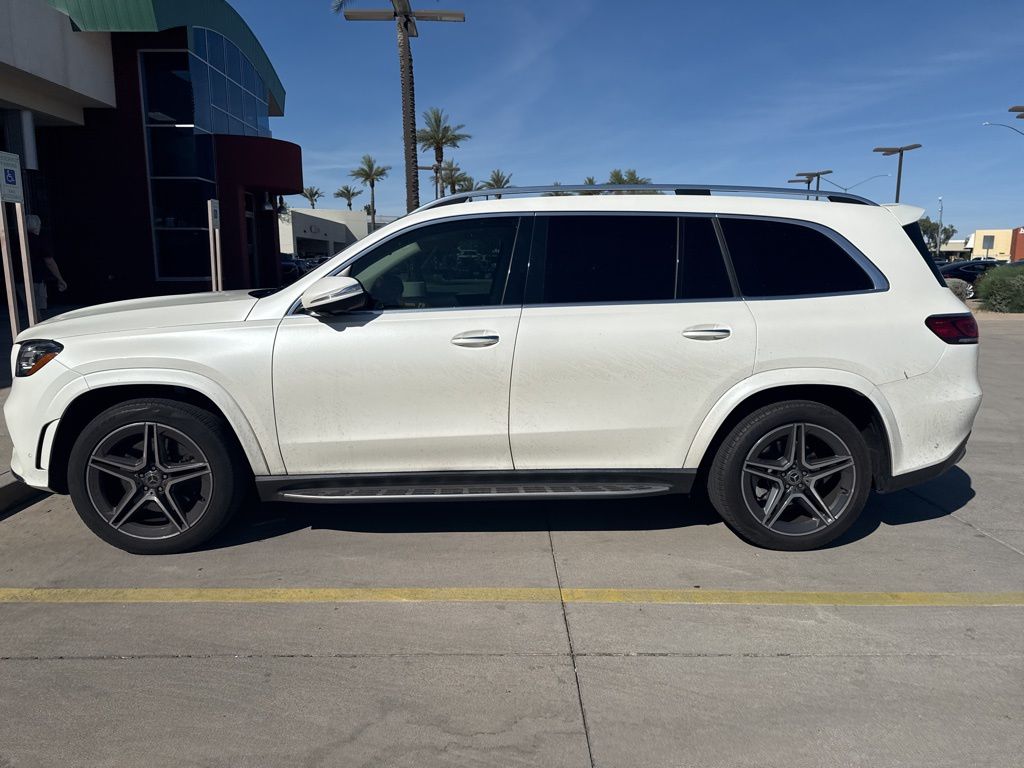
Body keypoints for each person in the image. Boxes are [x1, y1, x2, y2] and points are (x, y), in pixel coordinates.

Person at [16, 214, 66, 317]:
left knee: (29, 309)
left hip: (19, 279)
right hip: (36, 279)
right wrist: (60, 279)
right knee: (39, 309)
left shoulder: (15, 241)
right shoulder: (39, 241)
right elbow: (49, 262)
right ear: (37, 226)